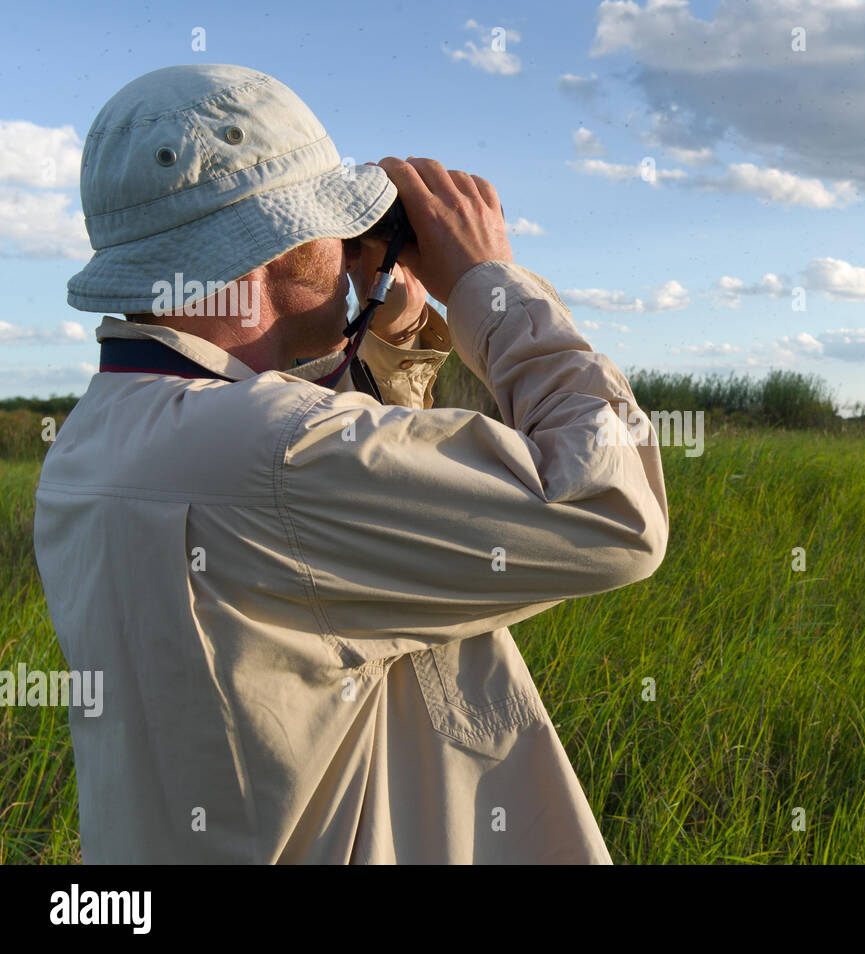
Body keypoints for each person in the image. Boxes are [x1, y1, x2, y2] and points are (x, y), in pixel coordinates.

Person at [33, 63, 668, 863]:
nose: (348, 247)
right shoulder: (277, 453)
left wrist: (388, 343)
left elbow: (352, 535)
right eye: (332, 224)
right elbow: (613, 511)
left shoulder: (100, 441)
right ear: (276, 243)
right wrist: (490, 283)